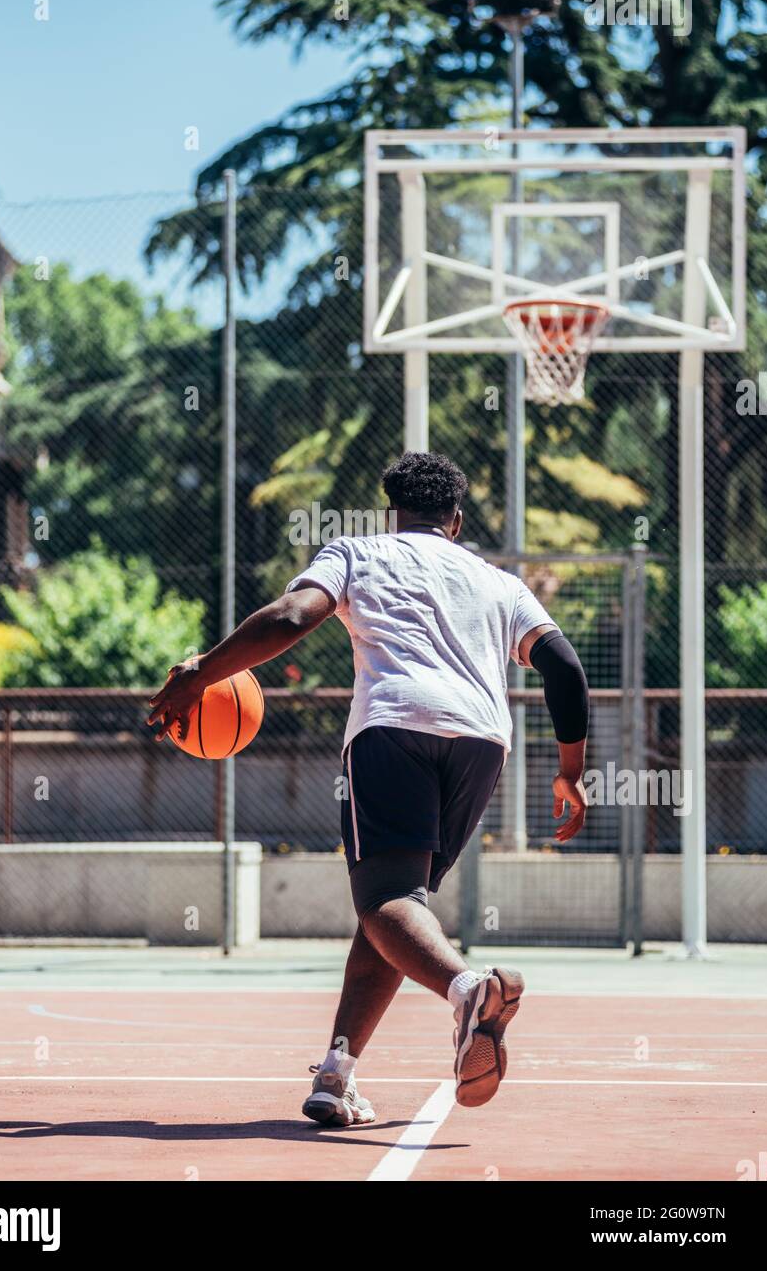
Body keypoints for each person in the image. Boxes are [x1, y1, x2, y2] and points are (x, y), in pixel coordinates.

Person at [148, 452, 589, 1126]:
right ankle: (336, 1072)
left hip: (392, 728)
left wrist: (200, 673)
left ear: (392, 513)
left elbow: (294, 616)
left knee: (385, 899)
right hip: (479, 743)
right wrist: (568, 770)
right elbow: (563, 667)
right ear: (456, 519)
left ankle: (468, 990)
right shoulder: (498, 584)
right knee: (394, 907)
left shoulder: (357, 552)